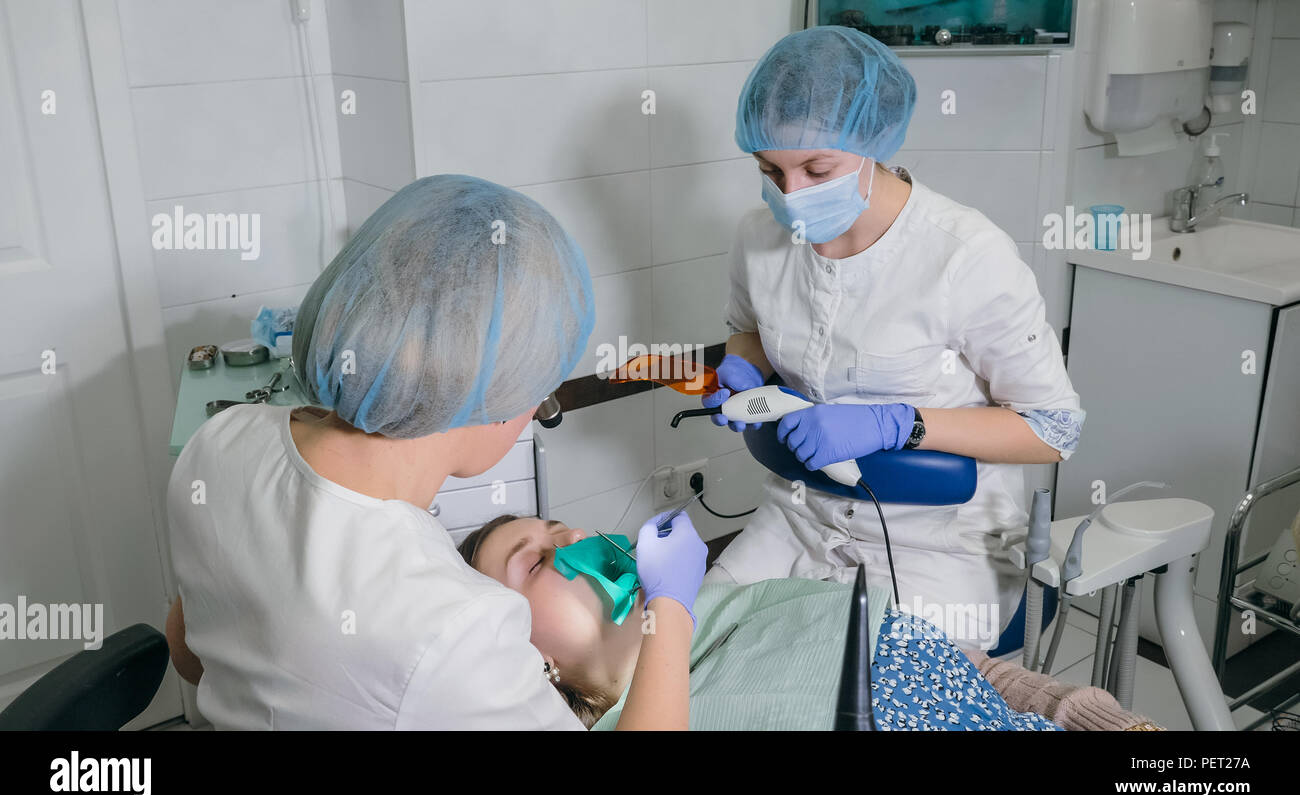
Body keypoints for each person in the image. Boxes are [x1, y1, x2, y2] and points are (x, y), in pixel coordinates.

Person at [163, 175, 709, 730]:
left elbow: (190, 653)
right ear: (496, 395)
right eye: (537, 392)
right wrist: (672, 611)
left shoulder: (220, 441)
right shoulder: (455, 628)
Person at [700, 27, 1086, 649]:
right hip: (798, 517)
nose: (790, 195)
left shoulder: (965, 255)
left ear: (872, 146)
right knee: (685, 652)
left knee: (860, 701)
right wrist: (741, 373)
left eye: (816, 168)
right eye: (770, 170)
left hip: (937, 544)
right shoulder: (758, 237)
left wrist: (896, 423)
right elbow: (747, 329)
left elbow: (1053, 430)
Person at [457, 514, 1158, 731]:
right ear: (519, 650)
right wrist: (667, 610)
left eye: (564, 527)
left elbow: (971, 674)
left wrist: (1115, 727)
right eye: (539, 560)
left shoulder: (760, 606)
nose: (576, 543)